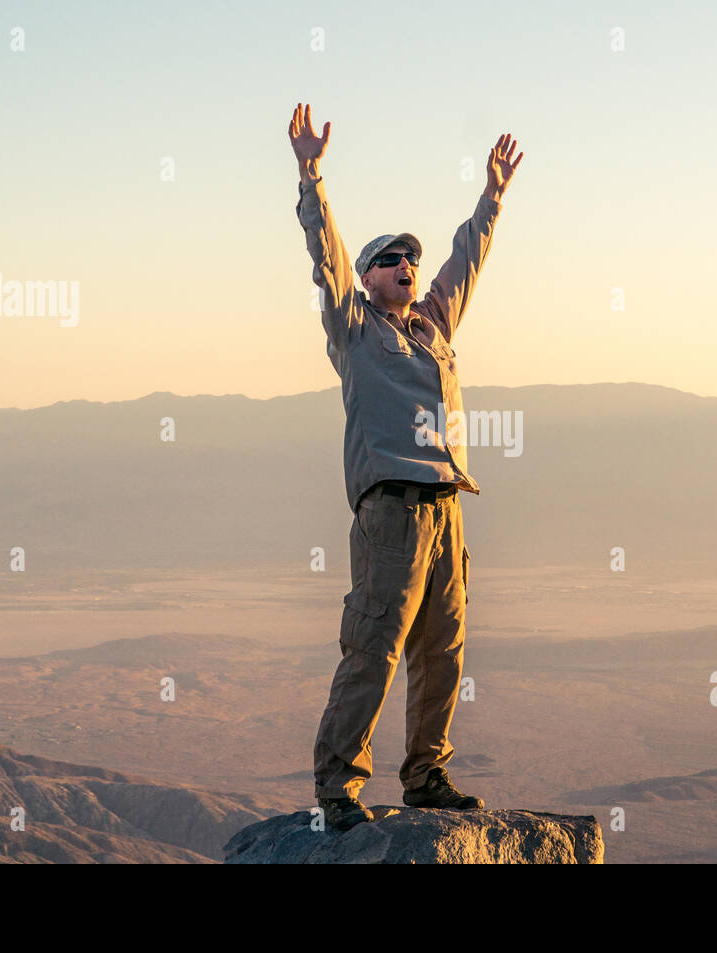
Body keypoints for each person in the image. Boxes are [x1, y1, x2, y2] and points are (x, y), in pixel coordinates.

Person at [289, 102, 523, 831]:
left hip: (445, 505)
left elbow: (468, 257)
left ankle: (426, 775)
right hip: (391, 511)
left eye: (410, 260)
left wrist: (492, 195)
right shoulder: (354, 330)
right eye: (390, 259)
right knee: (375, 645)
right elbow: (325, 255)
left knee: (443, 648)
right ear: (367, 277)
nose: (406, 267)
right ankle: (338, 787)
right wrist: (311, 175)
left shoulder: (434, 325)